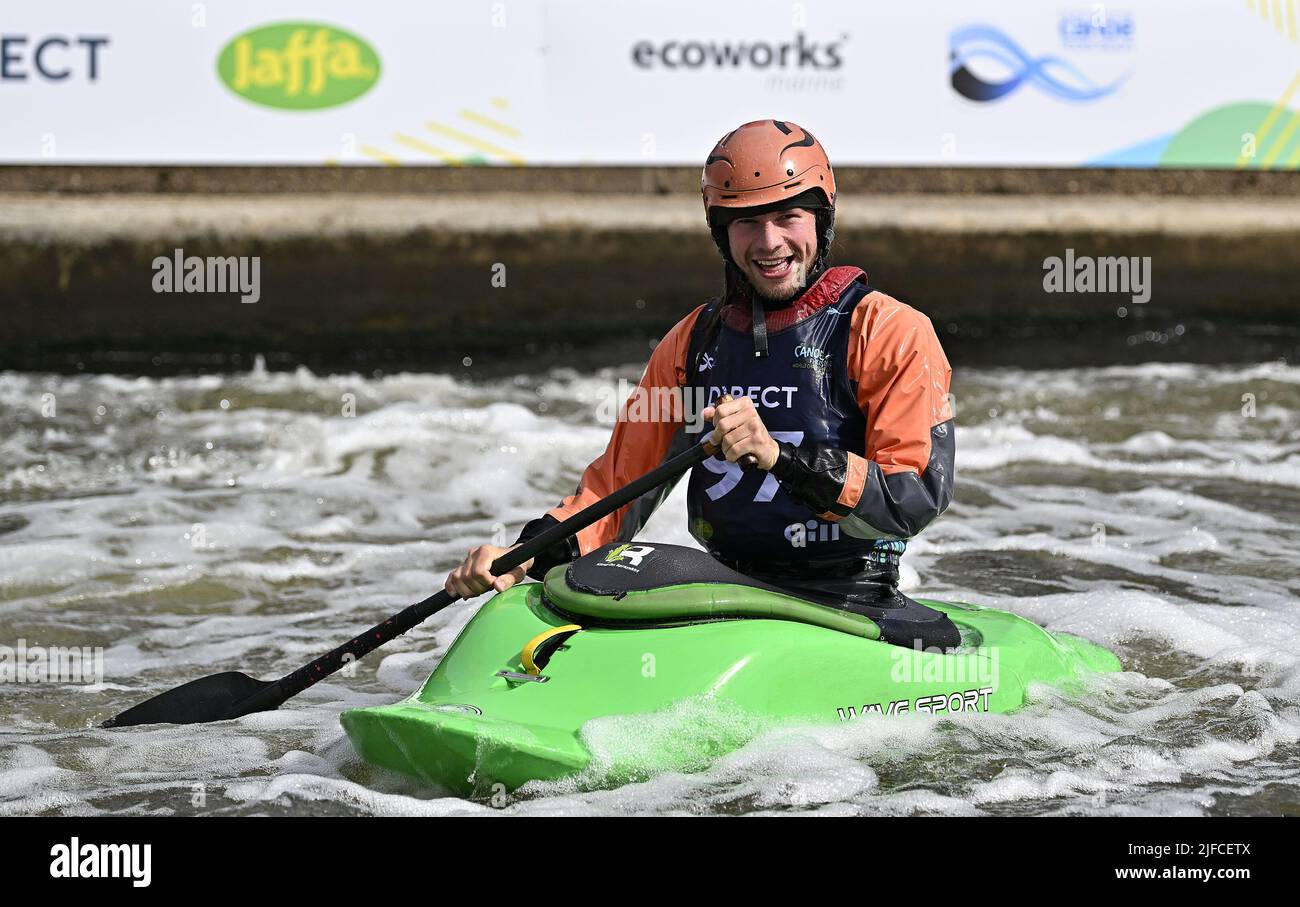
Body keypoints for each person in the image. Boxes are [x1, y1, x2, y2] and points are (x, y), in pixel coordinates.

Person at [446, 119, 959, 648]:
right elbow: (617, 492)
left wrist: (781, 457)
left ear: (821, 221)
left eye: (789, 217)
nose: (769, 243)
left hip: (849, 601)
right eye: (746, 223)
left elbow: (911, 498)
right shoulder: (694, 342)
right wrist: (525, 555)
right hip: (728, 591)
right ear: (721, 232)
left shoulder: (891, 331)